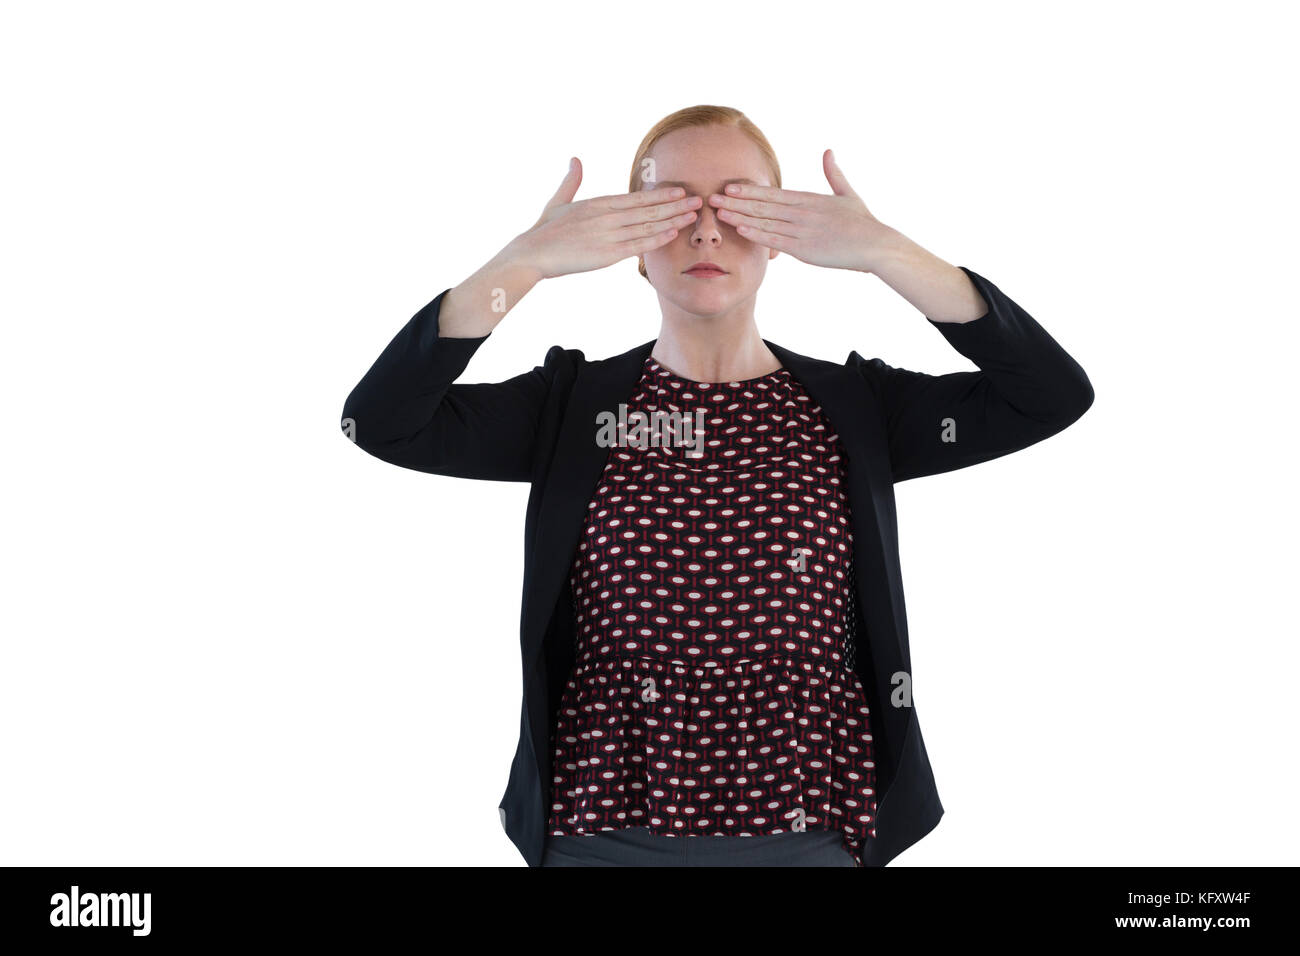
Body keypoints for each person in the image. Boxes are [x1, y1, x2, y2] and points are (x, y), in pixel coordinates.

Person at [340, 105, 1094, 867]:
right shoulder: (570, 408)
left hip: (812, 827)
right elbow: (380, 423)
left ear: (787, 231)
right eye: (671, 206)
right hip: (598, 827)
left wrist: (887, 254)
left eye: (742, 205)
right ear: (628, 238)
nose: (706, 231)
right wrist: (520, 266)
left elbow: (1052, 395)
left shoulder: (857, 409)